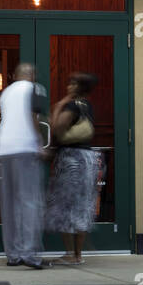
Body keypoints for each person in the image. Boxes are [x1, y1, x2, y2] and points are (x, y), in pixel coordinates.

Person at [45, 72, 103, 265]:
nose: (69, 86)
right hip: (87, 159)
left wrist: (58, 106)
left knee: (67, 206)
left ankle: (70, 253)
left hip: (71, 160)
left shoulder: (71, 106)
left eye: (72, 83)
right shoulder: (88, 107)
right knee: (82, 206)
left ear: (77, 87)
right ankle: (78, 255)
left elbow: (56, 128)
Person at [0, 62, 47, 270]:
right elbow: (35, 116)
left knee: (9, 204)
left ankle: (13, 254)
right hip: (25, 148)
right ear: (31, 75)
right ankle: (30, 254)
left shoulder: (5, 92)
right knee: (29, 202)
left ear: (15, 75)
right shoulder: (36, 88)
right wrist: (40, 142)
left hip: (4, 148)